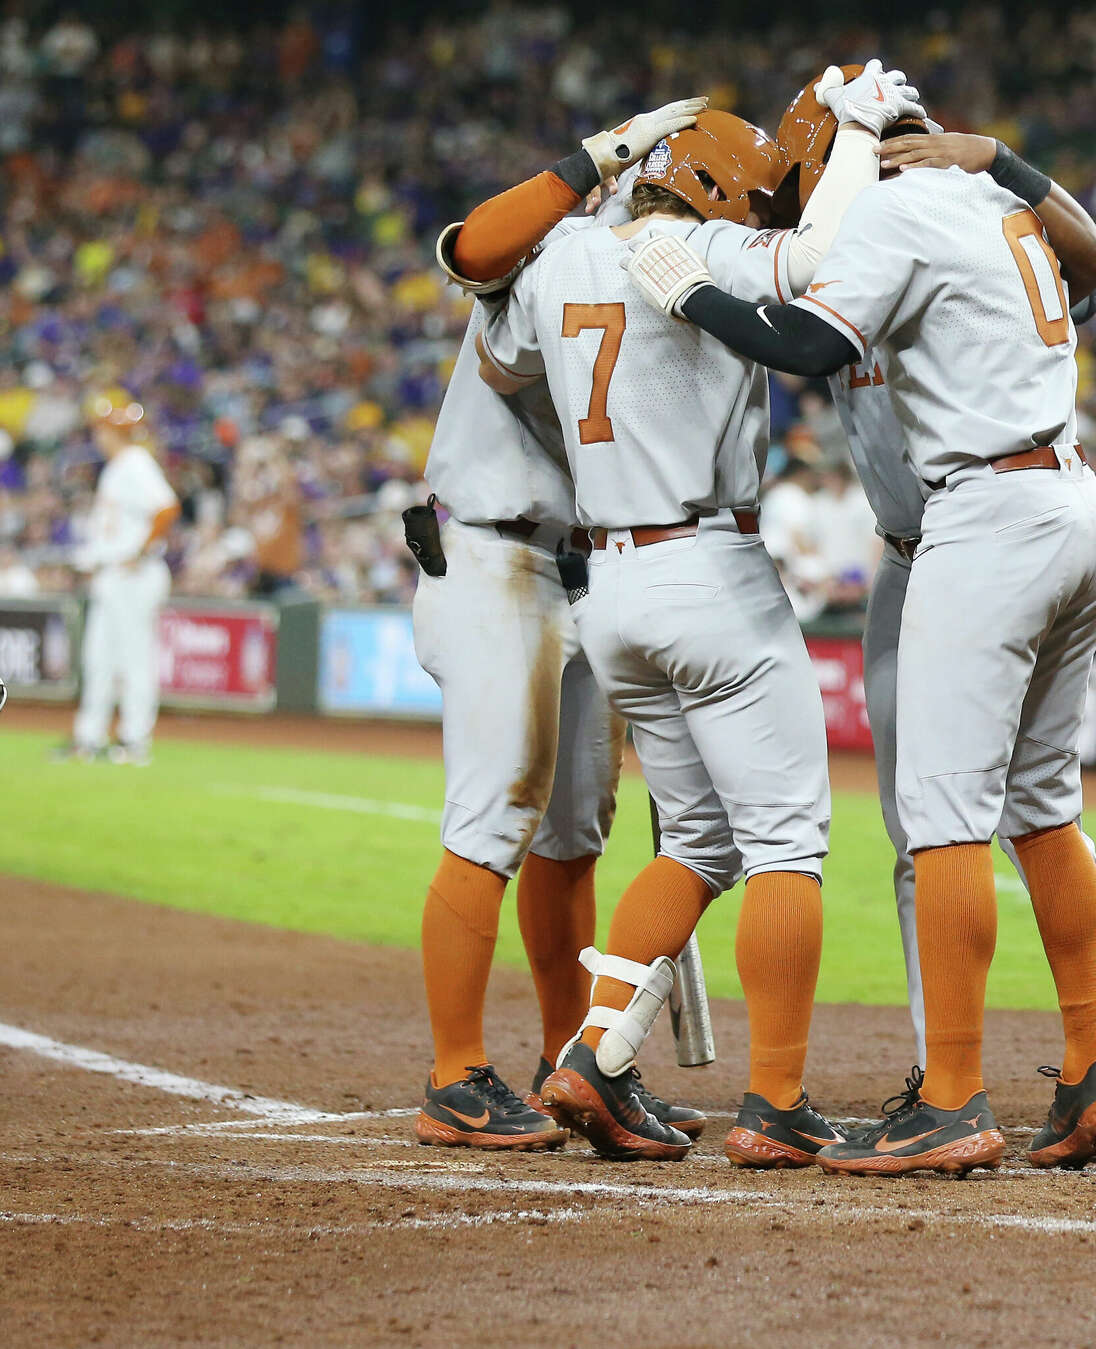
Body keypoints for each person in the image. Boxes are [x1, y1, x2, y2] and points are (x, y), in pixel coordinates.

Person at [627, 69, 1096, 1174]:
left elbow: (810, 345)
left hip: (985, 519)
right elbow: (1093, 265)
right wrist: (997, 157)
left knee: (945, 818)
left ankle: (953, 1095)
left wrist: (693, 294)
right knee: (1045, 807)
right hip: (1071, 503)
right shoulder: (997, 207)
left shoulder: (898, 212)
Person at [480, 67, 926, 1166]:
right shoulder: (707, 251)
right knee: (788, 846)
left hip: (612, 584)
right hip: (708, 569)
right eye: (749, 194)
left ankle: (592, 1051)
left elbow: (501, 370)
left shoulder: (559, 253)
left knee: (699, 842)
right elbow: (818, 265)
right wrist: (861, 135)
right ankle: (773, 1098)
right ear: (716, 190)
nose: (756, 210)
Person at [412, 100, 711, 1152]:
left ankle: (565, 1060)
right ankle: (454, 1074)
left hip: (590, 565)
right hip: (496, 553)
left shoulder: (677, 274)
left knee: (572, 835)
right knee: (494, 818)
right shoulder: (565, 245)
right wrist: (593, 159)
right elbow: (472, 246)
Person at [57, 389, 178, 765]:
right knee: (99, 659)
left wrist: (138, 552)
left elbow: (167, 508)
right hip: (112, 576)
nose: (99, 434)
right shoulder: (117, 467)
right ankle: (88, 738)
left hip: (134, 576)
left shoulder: (135, 461)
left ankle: (134, 740)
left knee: (133, 659)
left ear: (114, 431)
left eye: (104, 427)